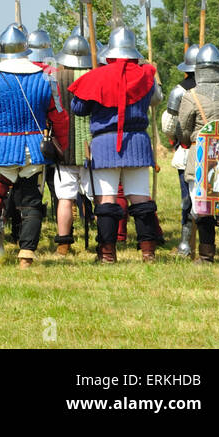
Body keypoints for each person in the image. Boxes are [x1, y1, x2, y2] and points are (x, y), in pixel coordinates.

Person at [0, 24, 69, 268]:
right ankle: (26, 256)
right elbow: (59, 116)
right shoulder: (45, 77)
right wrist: (61, 145)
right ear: (25, 50)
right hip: (34, 149)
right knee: (31, 205)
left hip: (2, 149)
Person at [67, 27, 164, 262]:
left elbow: (77, 108)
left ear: (109, 53)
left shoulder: (96, 76)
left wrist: (93, 87)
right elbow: (156, 99)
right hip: (137, 143)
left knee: (107, 199)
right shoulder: (146, 76)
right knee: (141, 199)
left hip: (105, 144)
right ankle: (148, 252)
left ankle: (108, 254)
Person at [172, 43, 219, 264]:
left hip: (201, 157)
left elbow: (183, 133)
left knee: (202, 206)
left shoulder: (190, 95)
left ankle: (206, 256)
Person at [49, 32, 94, 254]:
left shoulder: (54, 77)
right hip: (91, 147)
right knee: (100, 196)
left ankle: (64, 245)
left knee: (65, 198)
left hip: (63, 147)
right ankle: (107, 242)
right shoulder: (95, 75)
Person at [161, 44, 201, 257]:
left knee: (189, 199)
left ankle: (186, 245)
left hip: (190, 150)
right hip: (217, 153)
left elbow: (169, 124)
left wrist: (175, 138)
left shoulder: (180, 90)